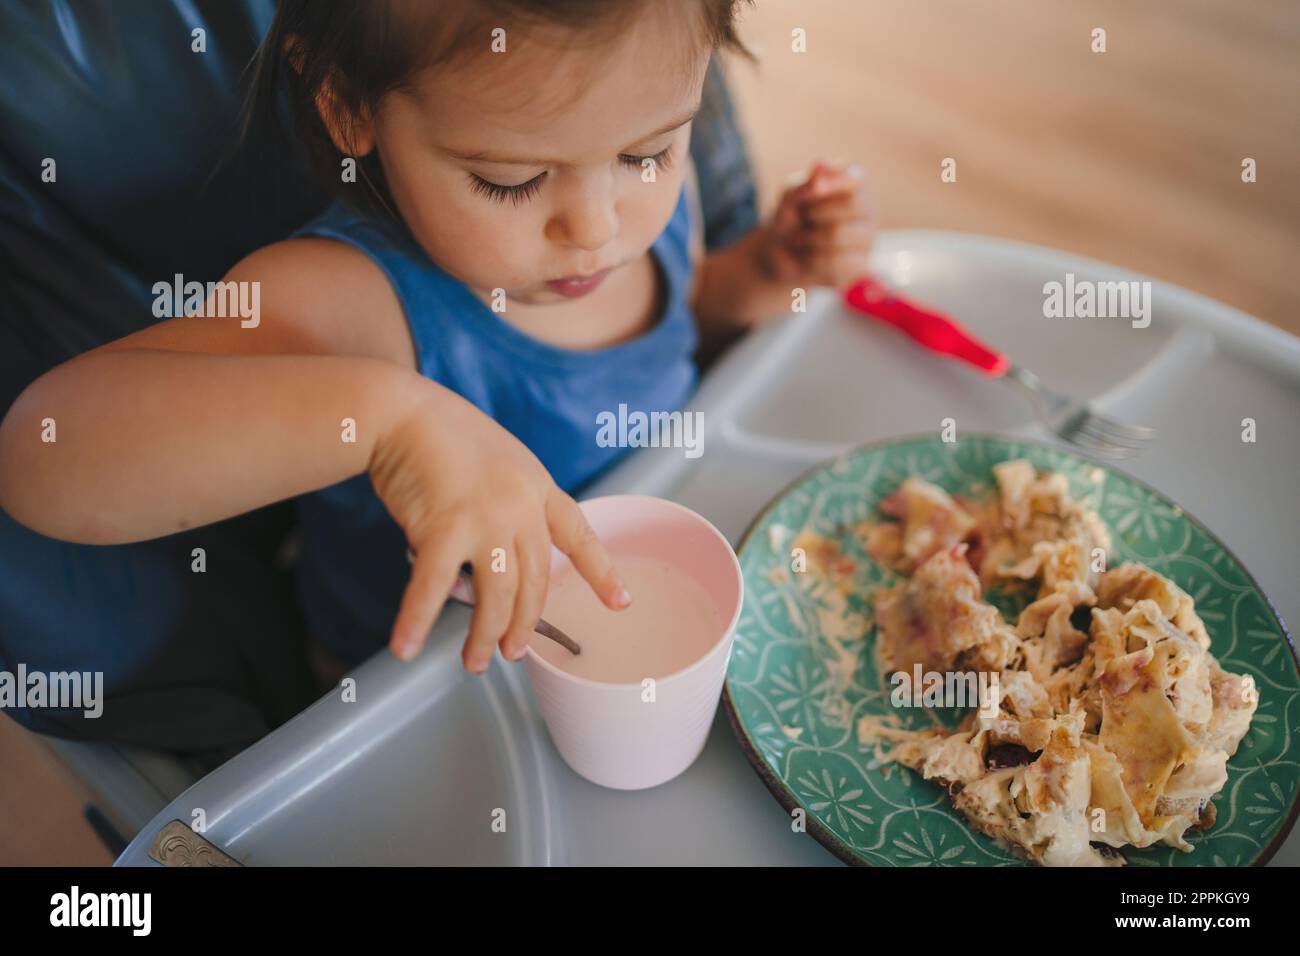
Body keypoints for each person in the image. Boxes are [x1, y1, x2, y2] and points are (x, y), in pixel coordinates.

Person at [0, 0, 875, 732]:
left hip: (665, 640)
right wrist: (388, 419)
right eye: (511, 180)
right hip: (430, 712)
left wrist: (763, 273)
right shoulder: (341, 304)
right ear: (349, 107)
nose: (598, 227)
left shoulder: (652, 209)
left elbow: (678, 321)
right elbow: (45, 453)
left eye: (646, 153)